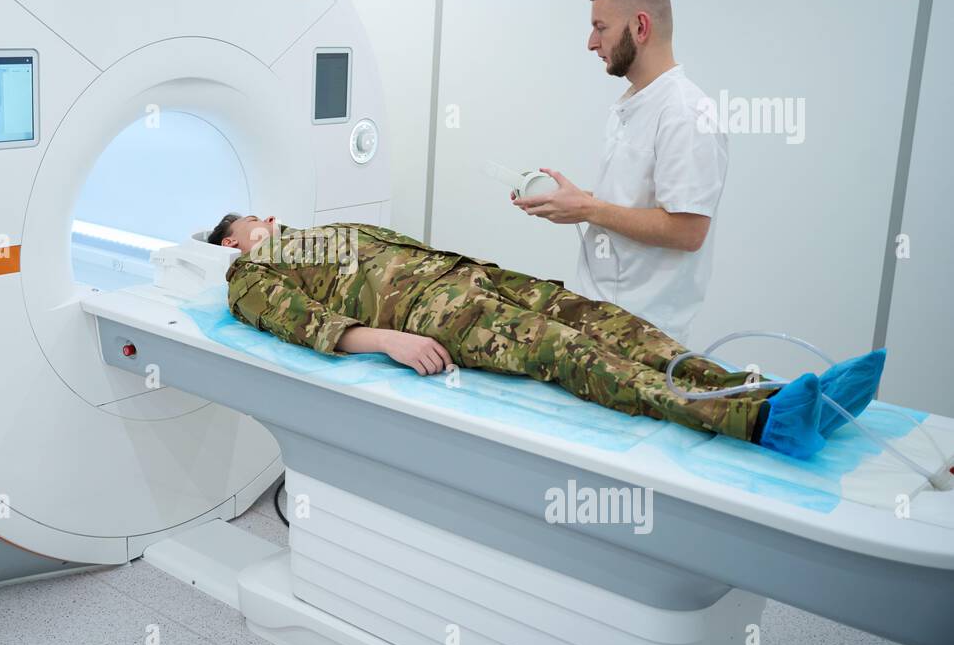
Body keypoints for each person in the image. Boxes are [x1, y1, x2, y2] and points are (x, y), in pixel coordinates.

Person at [206, 214, 886, 461]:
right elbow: (308, 325)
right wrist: (385, 340)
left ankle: (769, 388)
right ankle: (761, 422)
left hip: (474, 279)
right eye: (241, 231)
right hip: (441, 317)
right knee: (575, 356)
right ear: (232, 244)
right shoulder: (249, 275)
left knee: (611, 324)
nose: (258, 226)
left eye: (255, 221)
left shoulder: (322, 230)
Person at [516, 0, 724, 344]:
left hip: (645, 333)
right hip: (600, 314)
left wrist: (589, 210)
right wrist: (572, 204)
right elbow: (634, 206)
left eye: (601, 28)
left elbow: (689, 230)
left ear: (640, 27)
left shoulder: (687, 113)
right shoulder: (632, 105)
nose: (591, 43)